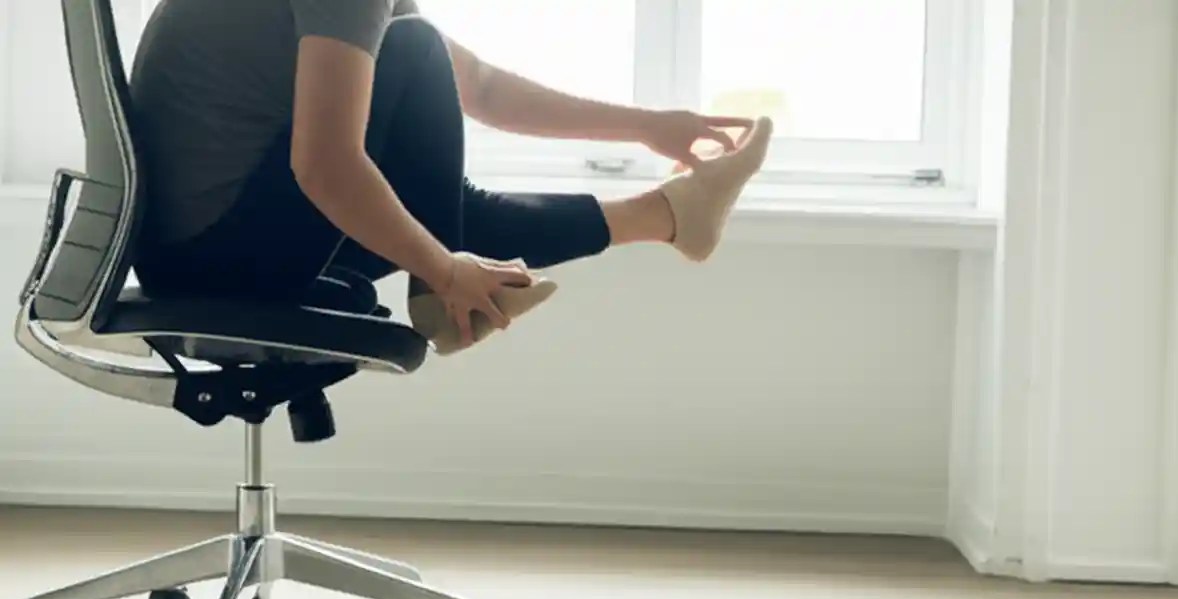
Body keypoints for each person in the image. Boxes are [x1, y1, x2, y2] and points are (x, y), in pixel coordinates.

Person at [130, 0, 773, 354]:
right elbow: (324, 165)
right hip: (220, 257)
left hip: (196, 250)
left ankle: (668, 216)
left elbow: (483, 88)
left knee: (418, 82)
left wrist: (644, 125)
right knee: (415, 49)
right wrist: (442, 268)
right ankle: (441, 295)